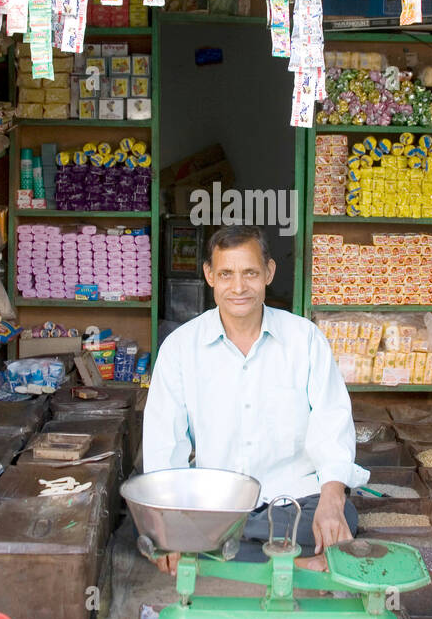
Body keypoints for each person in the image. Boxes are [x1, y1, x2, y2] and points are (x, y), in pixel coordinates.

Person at [142, 225, 369, 571]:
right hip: (216, 503)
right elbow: (163, 442)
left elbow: (331, 422)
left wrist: (332, 499)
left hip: (293, 498)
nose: (238, 287)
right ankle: (293, 564)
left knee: (340, 516)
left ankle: (223, 561)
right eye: (226, 274)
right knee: (147, 527)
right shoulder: (180, 347)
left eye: (249, 273)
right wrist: (166, 521)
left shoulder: (304, 339)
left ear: (269, 273)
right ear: (209, 276)